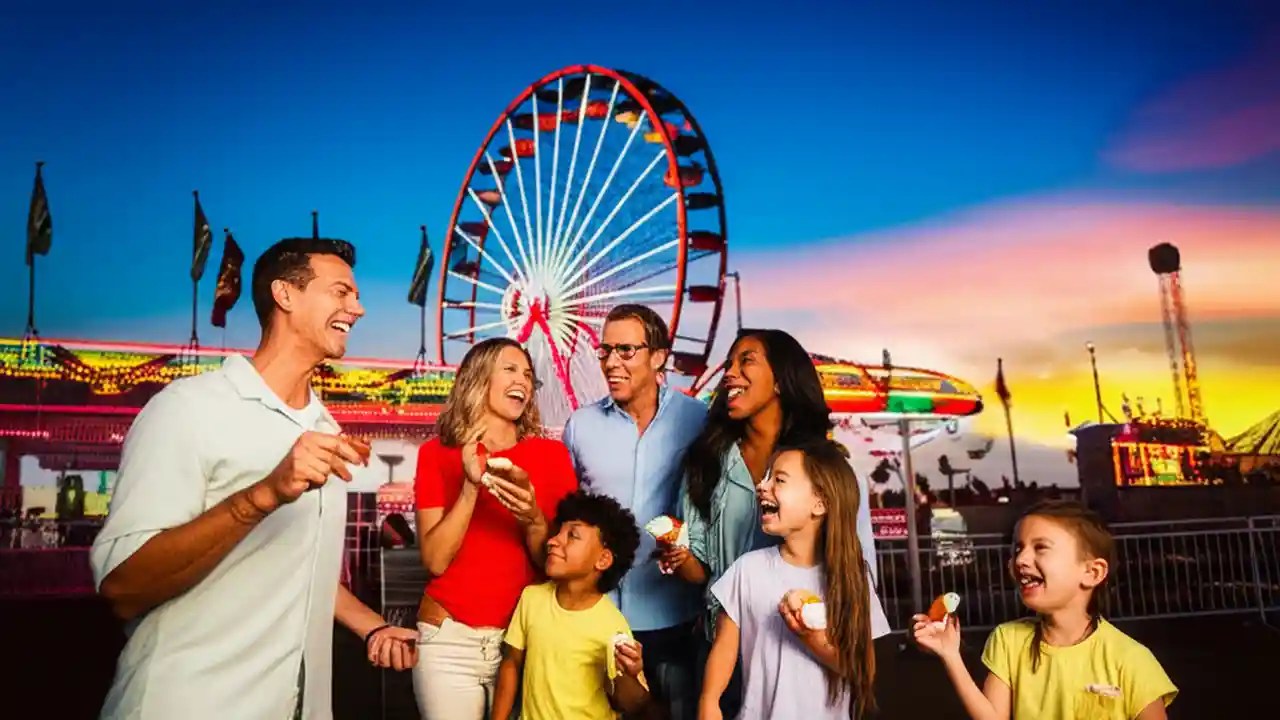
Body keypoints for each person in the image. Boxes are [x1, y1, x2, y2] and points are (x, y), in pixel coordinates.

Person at [90, 237, 417, 719]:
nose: (360, 308)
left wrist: (373, 627)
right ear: (285, 295)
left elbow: (301, 567)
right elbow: (123, 588)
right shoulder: (190, 409)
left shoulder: (324, 429)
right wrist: (261, 495)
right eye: (342, 292)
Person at [663, 329, 885, 715]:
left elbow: (855, 569)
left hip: (811, 655)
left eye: (745, 360)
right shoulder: (705, 464)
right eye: (728, 363)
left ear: (781, 379)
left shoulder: (831, 471)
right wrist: (678, 555)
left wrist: (819, 637)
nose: (729, 372)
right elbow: (700, 573)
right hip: (725, 651)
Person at [412, 337, 578, 720]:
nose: (523, 378)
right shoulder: (436, 455)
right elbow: (435, 561)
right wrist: (471, 486)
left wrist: (534, 518)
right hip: (449, 639)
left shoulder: (552, 458)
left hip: (526, 643)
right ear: (478, 377)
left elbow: (560, 567)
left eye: (528, 374)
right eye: (510, 368)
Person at [561, 304, 707, 719]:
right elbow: (569, 514)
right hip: (597, 614)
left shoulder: (698, 421)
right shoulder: (580, 426)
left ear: (658, 356)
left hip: (676, 613)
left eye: (626, 351)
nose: (611, 363)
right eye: (605, 351)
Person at [912, 500, 1178, 720]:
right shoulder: (1008, 640)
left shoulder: (1132, 660)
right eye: (1018, 548)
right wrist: (950, 655)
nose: (1020, 560)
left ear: (1092, 572)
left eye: (1041, 548)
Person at [699, 439, 889, 720]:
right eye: (765, 478)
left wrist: (812, 639)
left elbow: (863, 669)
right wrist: (709, 701)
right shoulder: (747, 569)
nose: (762, 486)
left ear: (820, 502)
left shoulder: (853, 576)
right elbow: (724, 647)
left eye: (779, 480)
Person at [492, 491, 650, 719]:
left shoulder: (612, 626)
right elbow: (511, 664)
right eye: (558, 532)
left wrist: (629, 673)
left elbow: (631, 704)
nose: (553, 541)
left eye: (572, 536)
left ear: (603, 560)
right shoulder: (532, 598)